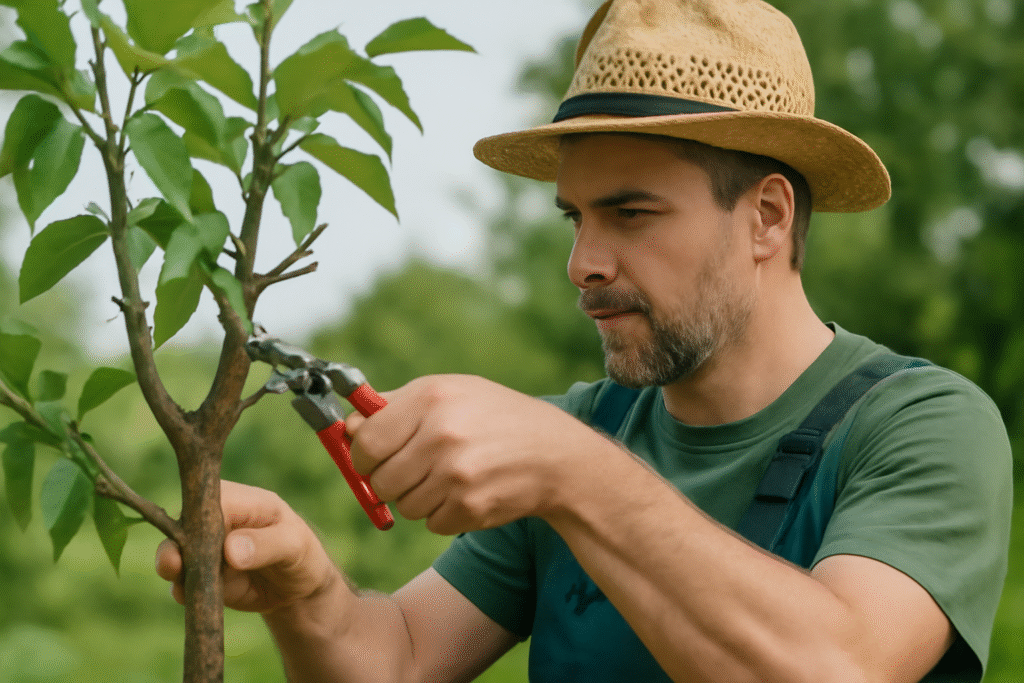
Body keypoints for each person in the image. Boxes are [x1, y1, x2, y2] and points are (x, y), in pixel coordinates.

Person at [156, 1, 1013, 681]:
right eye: (576, 217)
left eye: (630, 213)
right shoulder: (581, 431)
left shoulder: (919, 423)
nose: (582, 263)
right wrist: (307, 594)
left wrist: (573, 470)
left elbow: (839, 668)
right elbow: (399, 659)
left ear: (767, 217)